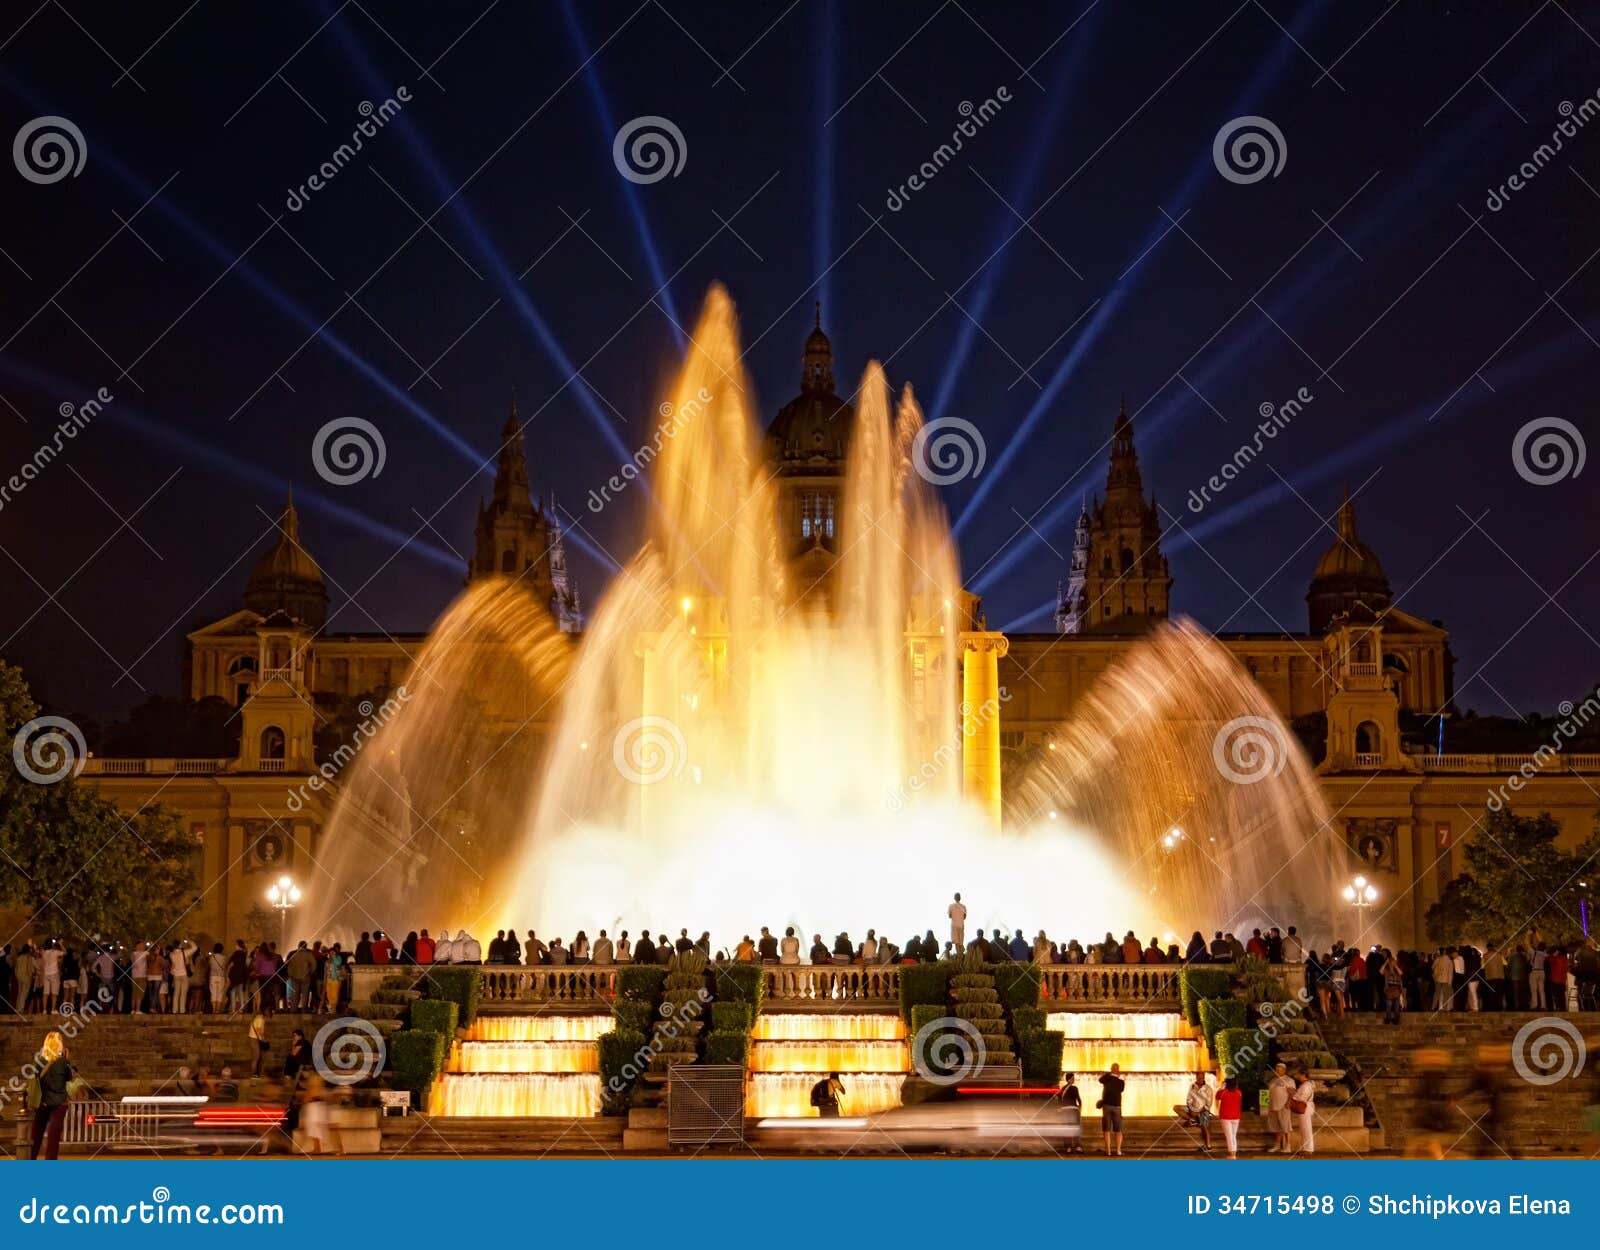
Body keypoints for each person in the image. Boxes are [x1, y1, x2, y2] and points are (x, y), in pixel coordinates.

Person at [27, 1029, 75, 1160]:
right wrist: (67, 1059)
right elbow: (70, 1078)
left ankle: (30, 1160)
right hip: (59, 1103)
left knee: (36, 1135)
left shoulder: (39, 1061)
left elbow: (33, 1080)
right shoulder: (62, 1062)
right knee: (53, 1137)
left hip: (42, 1102)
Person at [1177, 1071, 1214, 1153]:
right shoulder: (1192, 1086)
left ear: (1204, 1078)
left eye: (1201, 1077)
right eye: (1198, 1077)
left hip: (1203, 1110)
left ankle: (1208, 1146)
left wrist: (1197, 1112)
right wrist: (1191, 1109)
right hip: (1192, 1109)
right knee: (1177, 1107)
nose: (1200, 1079)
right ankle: (1192, 1119)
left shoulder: (1208, 1089)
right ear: (1196, 1078)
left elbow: (1208, 1105)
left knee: (1205, 1125)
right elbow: (1188, 1099)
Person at [1098, 1062, 1126, 1156]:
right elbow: (1121, 1090)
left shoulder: (1106, 1079)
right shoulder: (1121, 1082)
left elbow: (1100, 1079)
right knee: (1118, 1130)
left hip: (1106, 1106)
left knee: (1106, 1129)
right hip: (1117, 1107)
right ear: (1118, 1070)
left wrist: (1107, 1074)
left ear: (1111, 1070)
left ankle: (1108, 1151)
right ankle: (1118, 1150)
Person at [1266, 1062, 1294, 1152]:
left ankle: (1288, 1146)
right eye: (1276, 1069)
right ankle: (1277, 1145)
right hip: (1273, 1106)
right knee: (1277, 1127)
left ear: (1284, 1070)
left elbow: (1292, 1093)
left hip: (1283, 1106)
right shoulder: (1273, 1080)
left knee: (1285, 1126)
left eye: (1279, 1069)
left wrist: (1288, 1102)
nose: (1277, 1071)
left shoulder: (1289, 1080)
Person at [1291, 1068, 1316, 1155]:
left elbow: (1301, 1097)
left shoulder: (1305, 1085)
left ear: (1303, 1075)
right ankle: (1307, 1148)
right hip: (1307, 1108)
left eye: (1299, 1075)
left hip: (1305, 1108)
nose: (1298, 1077)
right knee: (1305, 1128)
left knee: (1306, 1129)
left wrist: (1292, 1094)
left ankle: (1308, 1149)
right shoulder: (1309, 1084)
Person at [1059, 1073, 1084, 1153]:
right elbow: (1079, 1100)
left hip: (1065, 1110)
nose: (1074, 1080)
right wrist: (1080, 1108)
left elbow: (1060, 1100)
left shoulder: (1062, 1089)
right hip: (1073, 1110)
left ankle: (1068, 1147)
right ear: (1070, 1079)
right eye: (1073, 1078)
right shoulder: (1075, 1088)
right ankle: (1078, 1146)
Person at [1383, 948, 1404, 1024]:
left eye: (1393, 961)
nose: (1392, 963)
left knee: (1396, 1004)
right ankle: (1388, 1017)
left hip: (1397, 988)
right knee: (1388, 1003)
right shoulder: (1387, 969)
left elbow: (1401, 973)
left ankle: (1396, 1018)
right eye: (1391, 962)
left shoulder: (1397, 969)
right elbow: (1380, 971)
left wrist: (1395, 966)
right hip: (1389, 988)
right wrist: (1385, 963)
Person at [206, 943, 227, 1014]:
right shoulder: (224, 958)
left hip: (213, 976)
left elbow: (209, 965)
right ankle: (218, 1009)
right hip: (221, 976)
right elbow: (224, 966)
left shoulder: (212, 957)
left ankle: (214, 1009)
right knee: (220, 992)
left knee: (213, 992)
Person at [248, 1012, 269, 1077]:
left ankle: (256, 1074)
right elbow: (258, 1029)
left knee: (257, 1058)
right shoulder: (261, 1019)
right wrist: (263, 1038)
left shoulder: (258, 1017)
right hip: (254, 1038)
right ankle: (253, 1075)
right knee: (256, 1058)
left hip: (254, 1038)